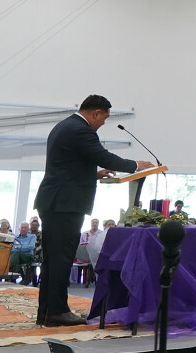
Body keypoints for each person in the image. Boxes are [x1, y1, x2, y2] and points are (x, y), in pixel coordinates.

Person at [33, 95, 142, 327]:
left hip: (55, 201)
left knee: (53, 260)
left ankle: (48, 311)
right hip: (64, 204)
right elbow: (102, 156)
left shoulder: (65, 126)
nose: (103, 123)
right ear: (96, 112)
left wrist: (94, 174)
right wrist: (135, 166)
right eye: (104, 118)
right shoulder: (81, 130)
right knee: (61, 260)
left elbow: (67, 167)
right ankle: (57, 312)